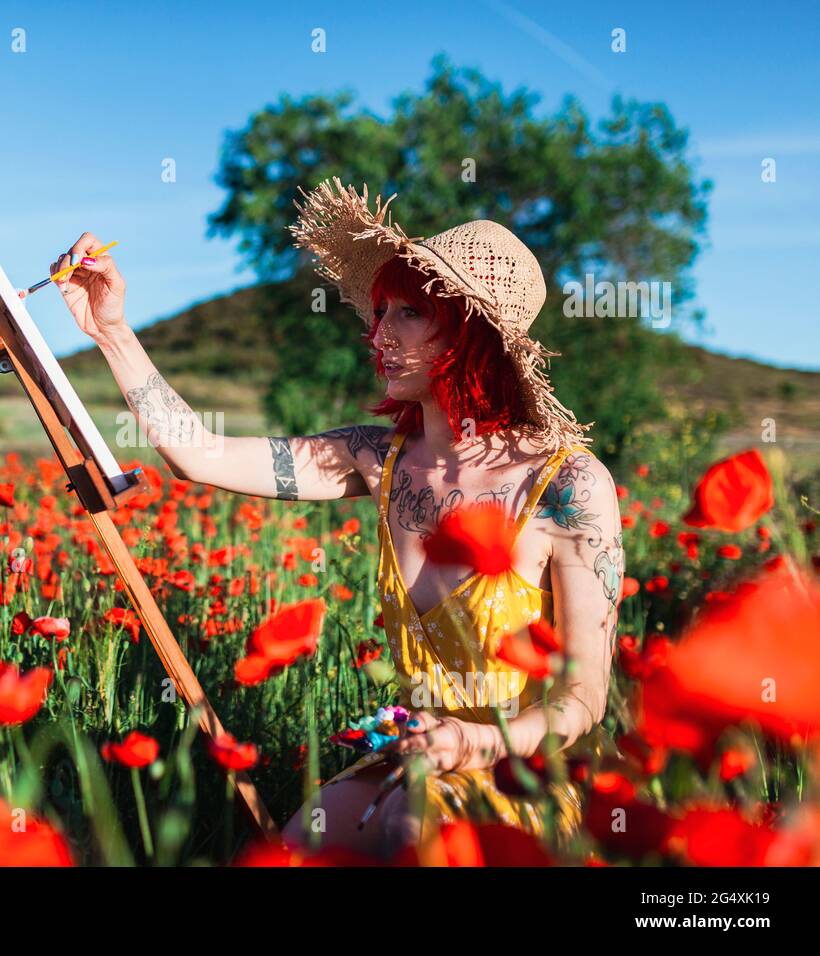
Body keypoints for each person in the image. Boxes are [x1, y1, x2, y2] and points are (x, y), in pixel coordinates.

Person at [37, 176, 622, 861]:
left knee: (415, 828)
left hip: (524, 768)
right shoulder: (376, 458)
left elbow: (583, 701)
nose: (377, 334)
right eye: (378, 313)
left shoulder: (569, 487)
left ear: (469, 332)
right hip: (410, 752)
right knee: (303, 839)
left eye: (405, 313)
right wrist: (111, 331)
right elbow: (198, 453)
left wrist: (477, 740)